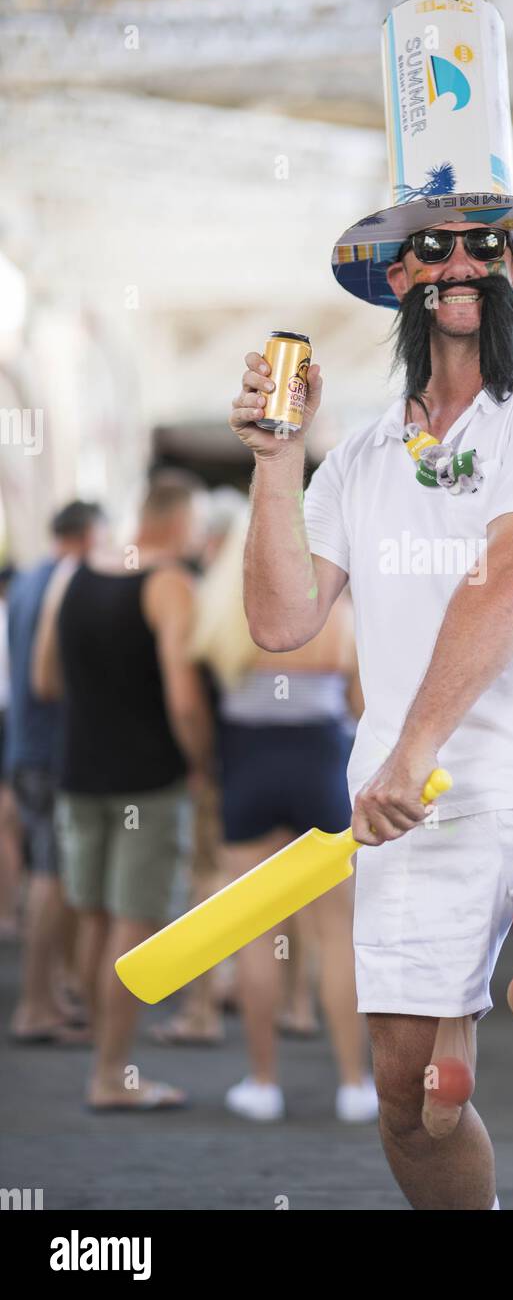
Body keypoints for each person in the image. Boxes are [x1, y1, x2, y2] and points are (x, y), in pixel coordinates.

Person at [230, 216, 513, 1209]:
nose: (461, 263)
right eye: (433, 248)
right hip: (419, 808)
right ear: (400, 277)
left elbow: (509, 576)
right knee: (409, 1096)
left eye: (484, 242)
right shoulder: (358, 455)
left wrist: (412, 746)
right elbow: (280, 620)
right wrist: (276, 460)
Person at [188, 505, 376, 1123]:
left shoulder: (222, 612)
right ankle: (354, 1085)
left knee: (255, 931)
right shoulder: (336, 613)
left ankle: (263, 1083)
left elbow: (194, 708)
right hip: (319, 773)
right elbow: (361, 707)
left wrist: (204, 770)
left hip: (247, 774)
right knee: (336, 935)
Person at [31, 472, 213, 1109]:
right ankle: (112, 1076)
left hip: (79, 772)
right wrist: (203, 764)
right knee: (134, 926)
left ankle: (103, 1062)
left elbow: (44, 678)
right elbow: (184, 700)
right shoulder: (170, 584)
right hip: (147, 781)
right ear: (180, 521)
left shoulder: (74, 574)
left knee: (94, 917)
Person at [4, 502, 104, 1042]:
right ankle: (36, 1006)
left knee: (53, 873)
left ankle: (51, 995)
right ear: (87, 535)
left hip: (28, 747)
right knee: (51, 874)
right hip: (50, 750)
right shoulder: (61, 582)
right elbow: (50, 679)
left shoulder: (26, 580)